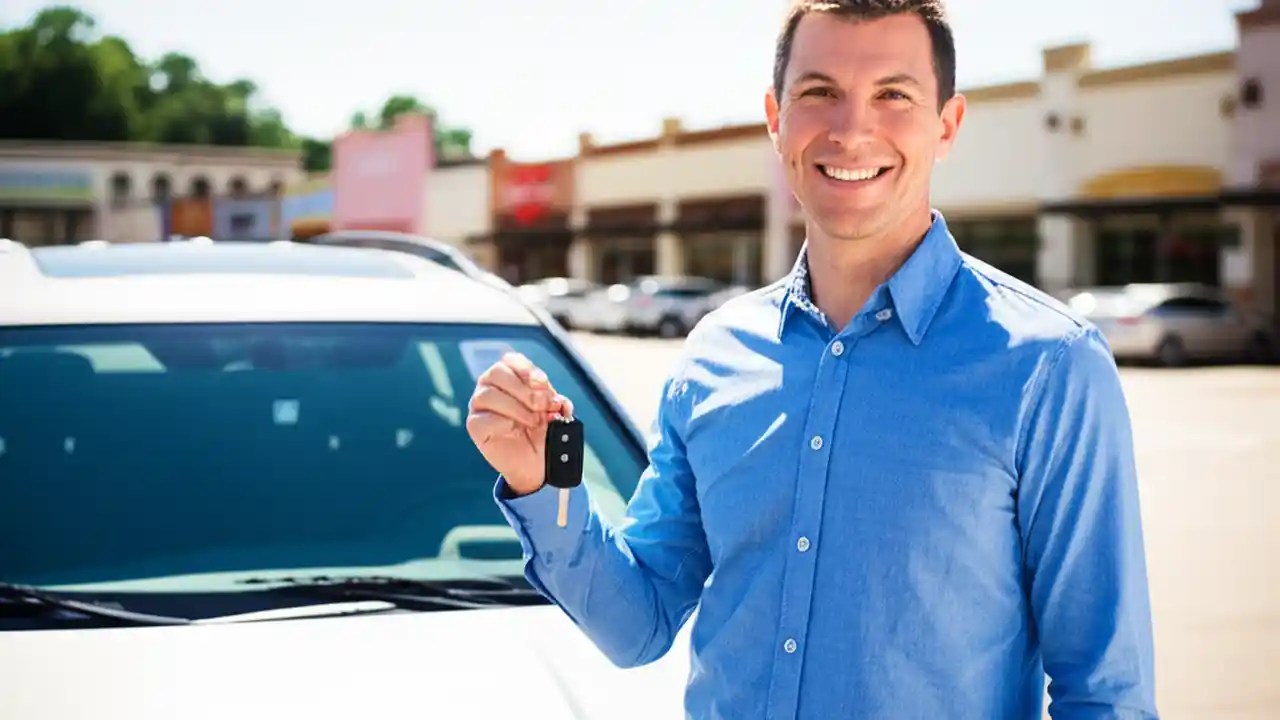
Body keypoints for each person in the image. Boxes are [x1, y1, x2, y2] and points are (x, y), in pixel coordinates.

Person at [465, 1, 1159, 718]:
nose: (852, 130)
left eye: (893, 95)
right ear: (776, 118)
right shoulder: (714, 356)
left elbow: (1106, 694)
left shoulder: (1050, 367)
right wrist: (542, 482)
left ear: (946, 125)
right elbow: (636, 625)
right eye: (819, 92)